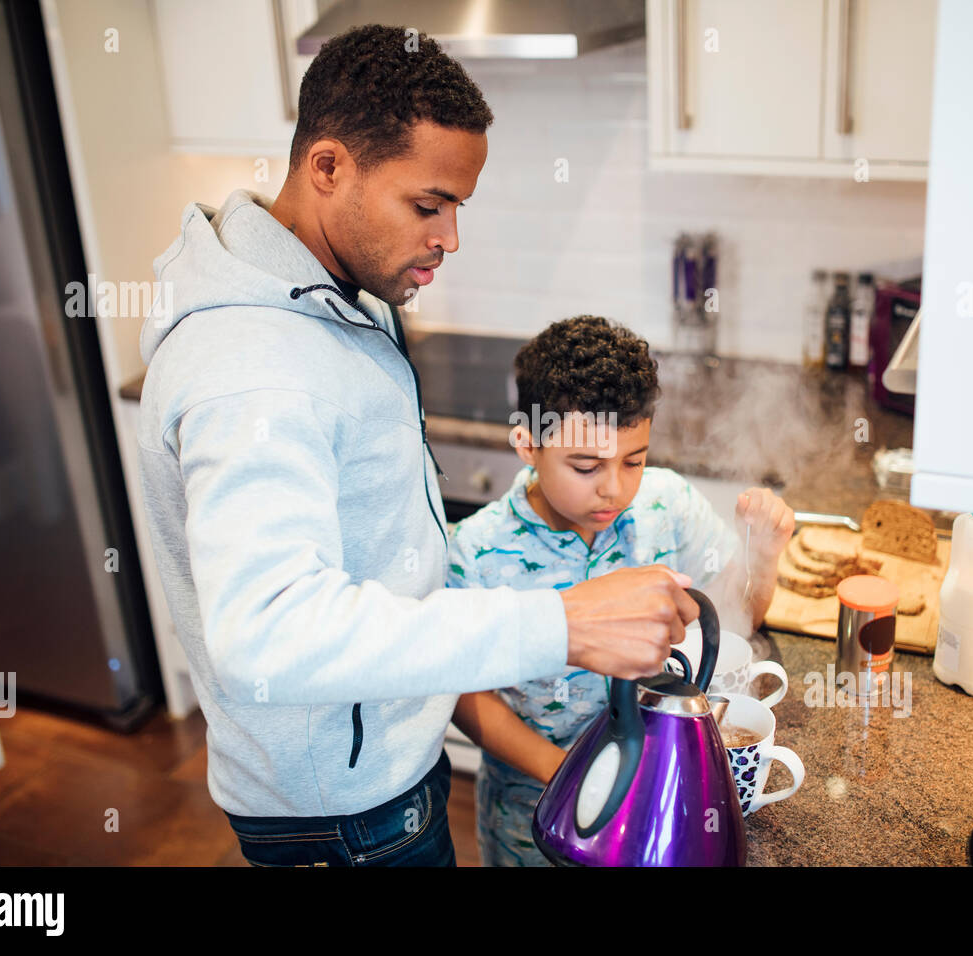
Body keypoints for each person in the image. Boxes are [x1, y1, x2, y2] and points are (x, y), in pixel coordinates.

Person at [136, 26, 698, 867]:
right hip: (343, 816)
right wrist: (558, 622)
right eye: (428, 205)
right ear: (328, 167)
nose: (448, 239)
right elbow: (268, 631)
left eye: (456, 209)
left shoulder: (329, 296)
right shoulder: (252, 370)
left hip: (382, 764)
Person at [447, 316, 795, 866]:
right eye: (586, 466)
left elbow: (732, 621)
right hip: (530, 817)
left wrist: (763, 556)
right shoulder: (476, 551)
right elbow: (464, 697)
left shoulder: (665, 506)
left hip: (653, 806)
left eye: (634, 460)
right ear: (527, 444)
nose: (615, 488)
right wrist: (566, 773)